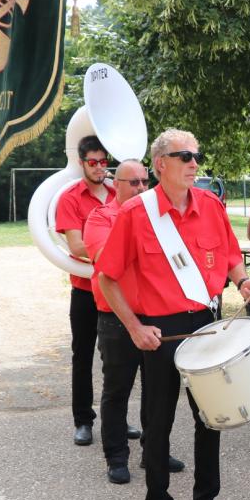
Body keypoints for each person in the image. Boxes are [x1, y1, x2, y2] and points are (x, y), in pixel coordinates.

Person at [97, 128, 250, 500]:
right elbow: (108, 278)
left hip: (207, 324)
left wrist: (244, 282)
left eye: (197, 154)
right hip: (162, 332)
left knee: (211, 419)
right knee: (159, 423)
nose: (194, 162)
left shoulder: (210, 204)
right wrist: (135, 327)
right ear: (160, 165)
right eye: (184, 156)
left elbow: (230, 257)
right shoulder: (136, 213)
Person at [83, 160, 184, 483]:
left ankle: (154, 451)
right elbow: (104, 258)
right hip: (117, 318)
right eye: (134, 183)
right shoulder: (100, 218)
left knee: (159, 391)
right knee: (117, 390)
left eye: (145, 182)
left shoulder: (157, 216)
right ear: (117, 185)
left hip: (156, 315)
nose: (142, 188)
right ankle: (116, 456)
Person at [55, 136, 117, 446]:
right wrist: (117, 251)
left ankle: (115, 420)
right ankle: (83, 420)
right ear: (81, 163)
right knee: (83, 356)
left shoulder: (119, 193)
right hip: (85, 290)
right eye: (93, 162)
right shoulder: (70, 198)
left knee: (117, 357)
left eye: (103, 162)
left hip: (116, 289)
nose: (99, 168)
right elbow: (77, 244)